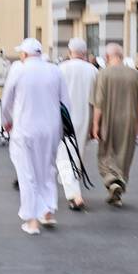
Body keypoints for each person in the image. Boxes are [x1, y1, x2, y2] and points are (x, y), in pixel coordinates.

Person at [2, 38, 69, 236]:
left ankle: (32, 220)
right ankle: (47, 211)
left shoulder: (18, 70)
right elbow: (65, 102)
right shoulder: (54, 70)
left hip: (25, 127)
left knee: (26, 172)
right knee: (47, 169)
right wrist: (65, 126)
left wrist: (6, 120)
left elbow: (6, 100)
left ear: (24, 54)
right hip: (51, 128)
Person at [91, 42, 138, 207]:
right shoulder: (134, 74)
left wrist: (95, 125)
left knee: (106, 154)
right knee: (124, 155)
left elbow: (98, 104)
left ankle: (111, 182)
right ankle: (118, 189)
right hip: (129, 120)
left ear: (107, 57)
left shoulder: (104, 73)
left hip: (109, 119)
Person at [56, 39, 98, 210]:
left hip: (64, 117)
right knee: (76, 153)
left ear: (70, 51)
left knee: (64, 156)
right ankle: (71, 183)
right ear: (85, 52)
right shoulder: (93, 71)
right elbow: (98, 100)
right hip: (86, 116)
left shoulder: (61, 69)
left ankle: (74, 193)